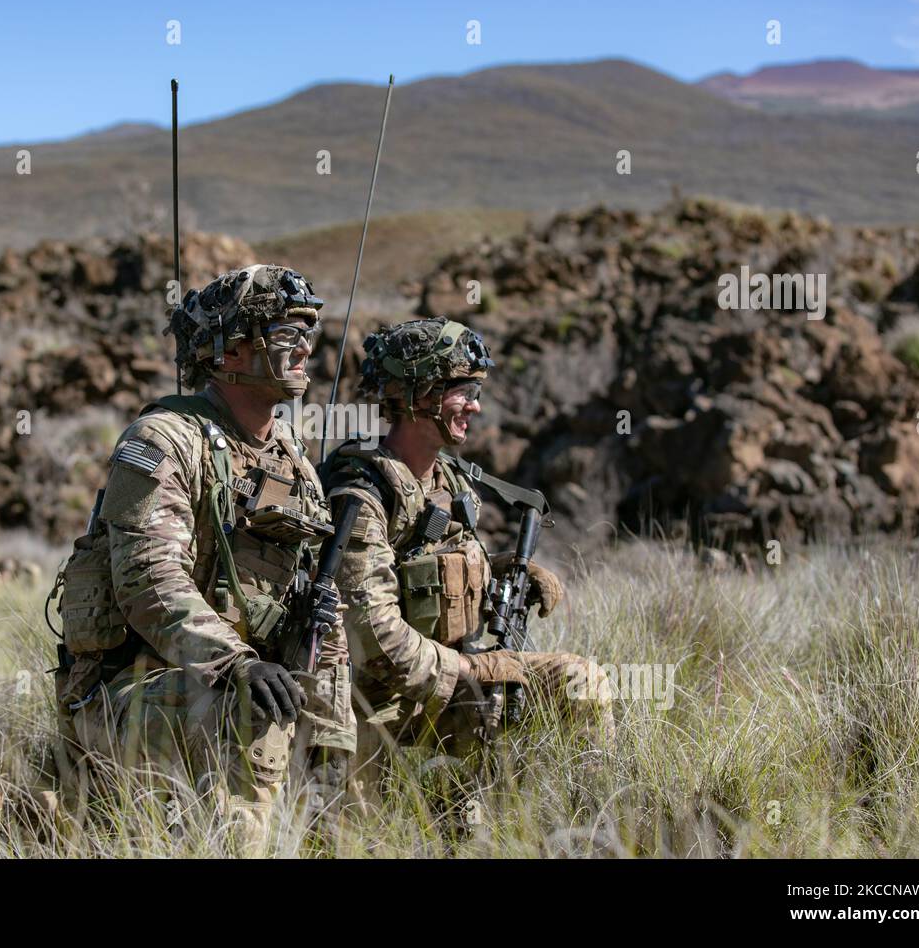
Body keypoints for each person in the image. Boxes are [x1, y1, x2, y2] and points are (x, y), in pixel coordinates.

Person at [52, 264, 355, 848]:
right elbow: (149, 579)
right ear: (232, 352)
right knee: (253, 716)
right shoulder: (163, 440)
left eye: (308, 334)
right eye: (288, 334)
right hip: (129, 690)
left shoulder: (292, 460)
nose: (306, 350)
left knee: (339, 747)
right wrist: (236, 663)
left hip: (240, 681)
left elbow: (316, 605)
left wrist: (330, 731)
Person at [321, 317, 614, 794]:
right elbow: (372, 635)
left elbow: (432, 560)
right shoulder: (362, 493)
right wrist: (472, 670)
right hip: (379, 709)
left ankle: (572, 822)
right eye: (462, 391)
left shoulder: (447, 481)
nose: (475, 406)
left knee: (580, 682)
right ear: (419, 394)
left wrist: (502, 567)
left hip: (446, 689)